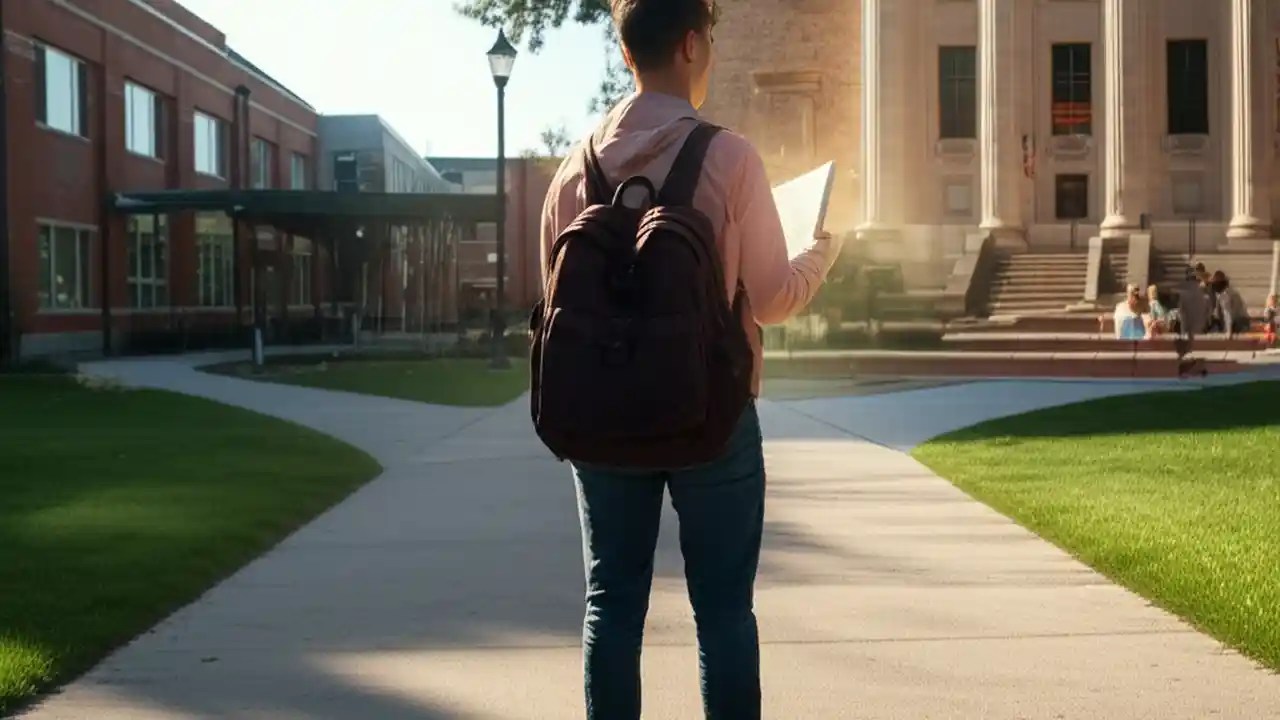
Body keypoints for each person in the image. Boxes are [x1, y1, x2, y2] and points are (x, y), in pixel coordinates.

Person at [538, 2, 841, 717]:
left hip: (601, 420)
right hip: (712, 414)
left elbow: (552, 301)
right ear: (694, 44)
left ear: (624, 56)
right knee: (723, 613)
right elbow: (769, 298)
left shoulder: (568, 174)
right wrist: (823, 252)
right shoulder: (729, 157)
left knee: (610, 606)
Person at [1211, 272, 1251, 337]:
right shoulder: (1228, 291)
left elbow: (1228, 314)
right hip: (1243, 321)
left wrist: (1228, 332)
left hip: (1239, 323)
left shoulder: (1225, 294)